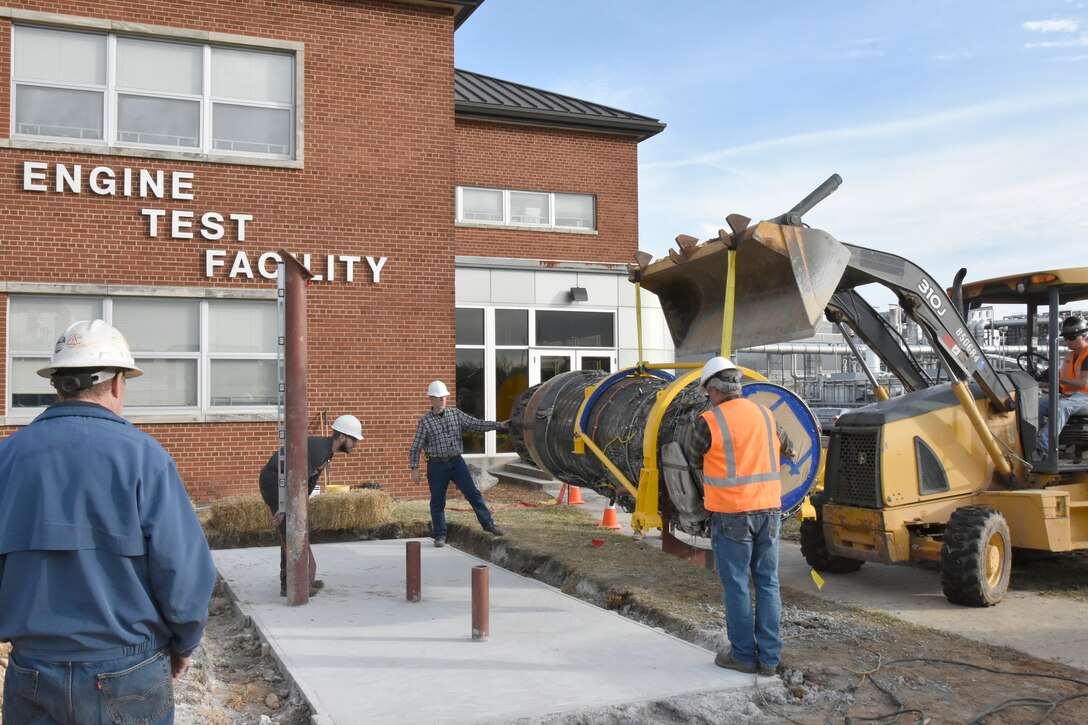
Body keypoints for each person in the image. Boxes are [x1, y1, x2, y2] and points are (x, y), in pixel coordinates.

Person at [0, 319, 216, 724]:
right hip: (127, 669)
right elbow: (183, 569)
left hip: (33, 670)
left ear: (57, 383)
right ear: (118, 382)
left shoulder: (7, 459)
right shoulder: (144, 457)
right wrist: (184, 644)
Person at [685, 356, 793, 678]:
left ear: (715, 391)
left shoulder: (709, 421)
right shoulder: (765, 415)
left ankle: (744, 656)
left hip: (733, 513)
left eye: (708, 393)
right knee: (768, 583)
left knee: (737, 585)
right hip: (769, 511)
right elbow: (789, 448)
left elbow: (691, 456)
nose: (708, 398)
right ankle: (770, 659)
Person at [259, 414, 364, 596]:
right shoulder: (318, 450)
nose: (355, 444)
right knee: (290, 532)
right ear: (342, 437)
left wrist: (303, 507)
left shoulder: (326, 452)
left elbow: (308, 482)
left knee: (300, 526)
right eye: (354, 440)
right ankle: (290, 585)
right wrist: (283, 508)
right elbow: (296, 482)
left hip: (283, 482)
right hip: (274, 481)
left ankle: (303, 577)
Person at [408, 380, 508, 547]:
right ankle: (440, 535)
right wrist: (414, 468)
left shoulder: (456, 415)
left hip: (456, 462)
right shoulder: (425, 422)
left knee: (473, 493)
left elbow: (476, 424)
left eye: (444, 398)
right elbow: (416, 446)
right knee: (438, 501)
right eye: (438, 398)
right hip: (436, 466)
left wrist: (499, 425)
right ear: (431, 399)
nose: (442, 401)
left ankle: (489, 525)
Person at [1035, 316, 1088, 460]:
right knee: (1035, 405)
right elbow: (1061, 384)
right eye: (1066, 338)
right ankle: (1028, 441)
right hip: (1069, 396)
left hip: (1084, 397)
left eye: (1071, 337)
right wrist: (1037, 383)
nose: (1068, 341)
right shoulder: (1069, 356)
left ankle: (1041, 447)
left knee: (1060, 407)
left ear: (1083, 336)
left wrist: (1056, 378)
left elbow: (1083, 383)